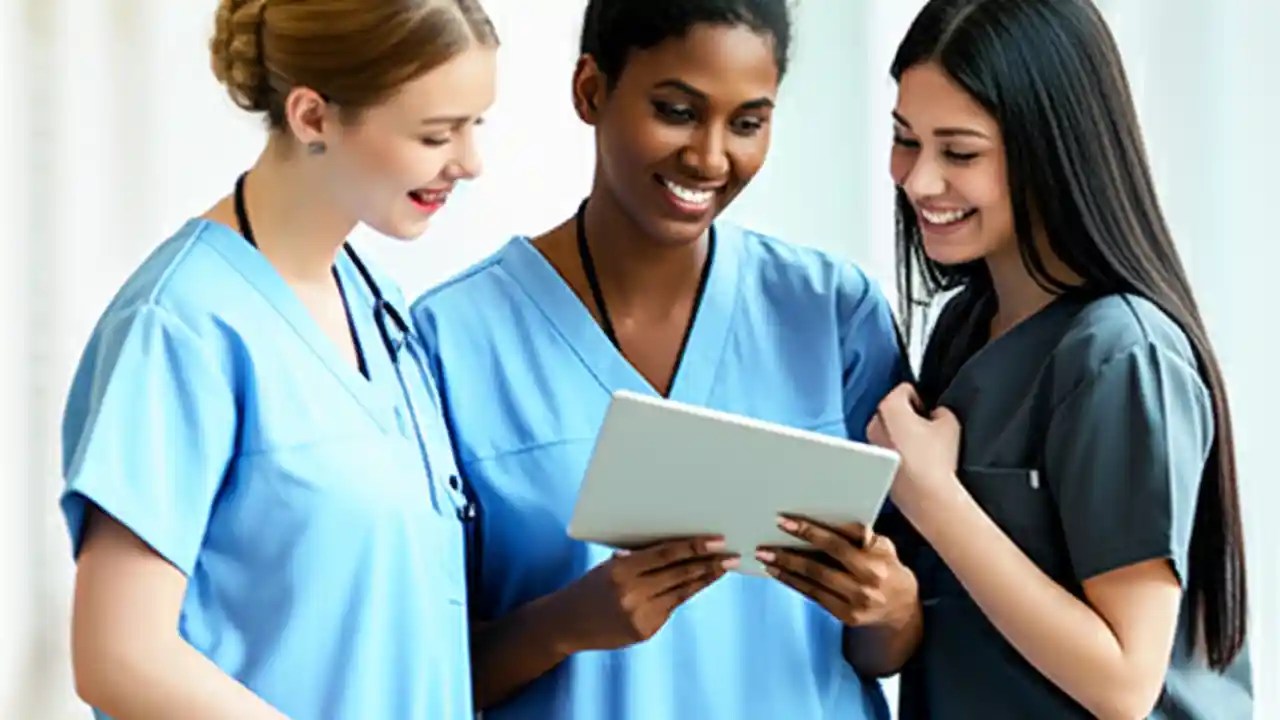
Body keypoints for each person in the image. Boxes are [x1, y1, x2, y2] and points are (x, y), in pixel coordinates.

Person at [411, 1, 920, 719]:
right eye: (677, 111)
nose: (711, 157)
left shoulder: (834, 313)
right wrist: (561, 627)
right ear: (591, 90)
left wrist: (892, 613)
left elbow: (888, 647)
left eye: (747, 123)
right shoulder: (450, 341)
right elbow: (411, 677)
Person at [58, 1, 497, 718]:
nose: (470, 162)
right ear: (312, 117)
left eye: (476, 125)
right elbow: (119, 657)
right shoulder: (182, 326)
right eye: (436, 134)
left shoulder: (374, 305)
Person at [866, 0, 1252, 718]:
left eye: (960, 152)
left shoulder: (1121, 354)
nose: (918, 181)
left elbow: (1125, 686)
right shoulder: (965, 326)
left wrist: (935, 498)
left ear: (1052, 148)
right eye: (904, 139)